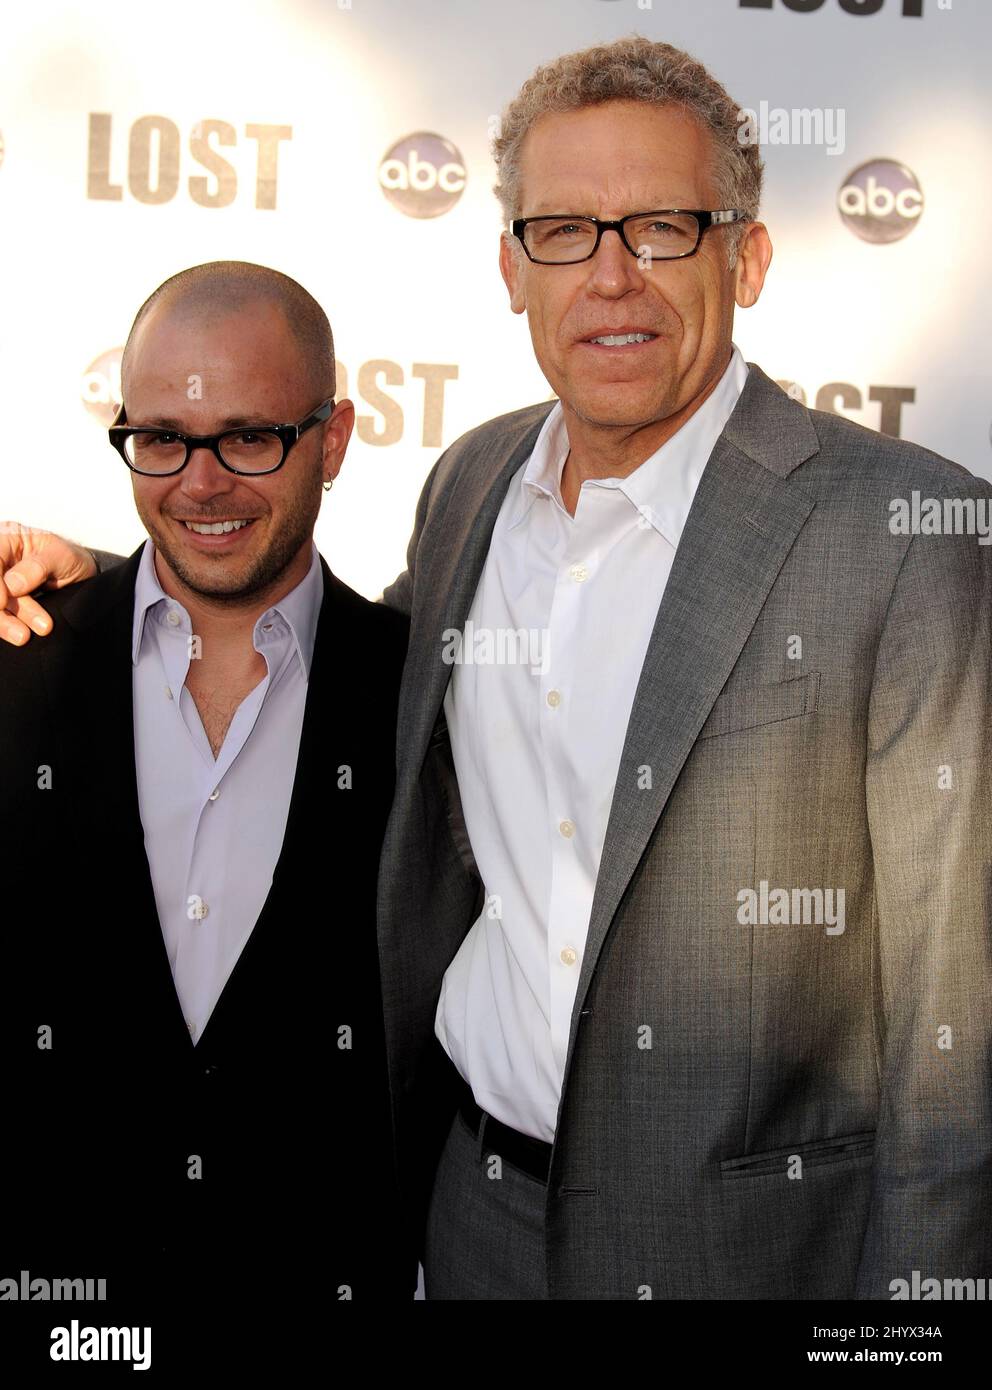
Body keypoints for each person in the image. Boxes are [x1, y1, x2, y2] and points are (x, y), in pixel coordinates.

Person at [4, 36, 992, 1302]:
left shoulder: (904, 537)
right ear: (511, 269)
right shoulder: (472, 483)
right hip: (470, 1229)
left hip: (748, 1261)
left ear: (743, 254)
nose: (612, 277)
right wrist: (107, 579)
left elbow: (954, 1043)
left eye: (663, 226)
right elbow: (358, 655)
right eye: (564, 231)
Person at [0, 262, 413, 1359]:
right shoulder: (15, 661)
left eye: (248, 438)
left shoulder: (429, 695)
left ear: (333, 438)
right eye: (164, 438)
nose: (201, 482)